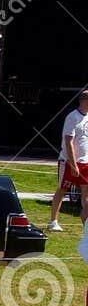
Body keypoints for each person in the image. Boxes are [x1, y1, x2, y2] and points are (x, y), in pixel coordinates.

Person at [46, 90, 88, 230]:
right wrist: (73, 163)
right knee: (62, 189)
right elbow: (68, 141)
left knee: (86, 194)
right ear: (83, 100)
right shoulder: (72, 117)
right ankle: (53, 221)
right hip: (69, 161)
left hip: (85, 162)